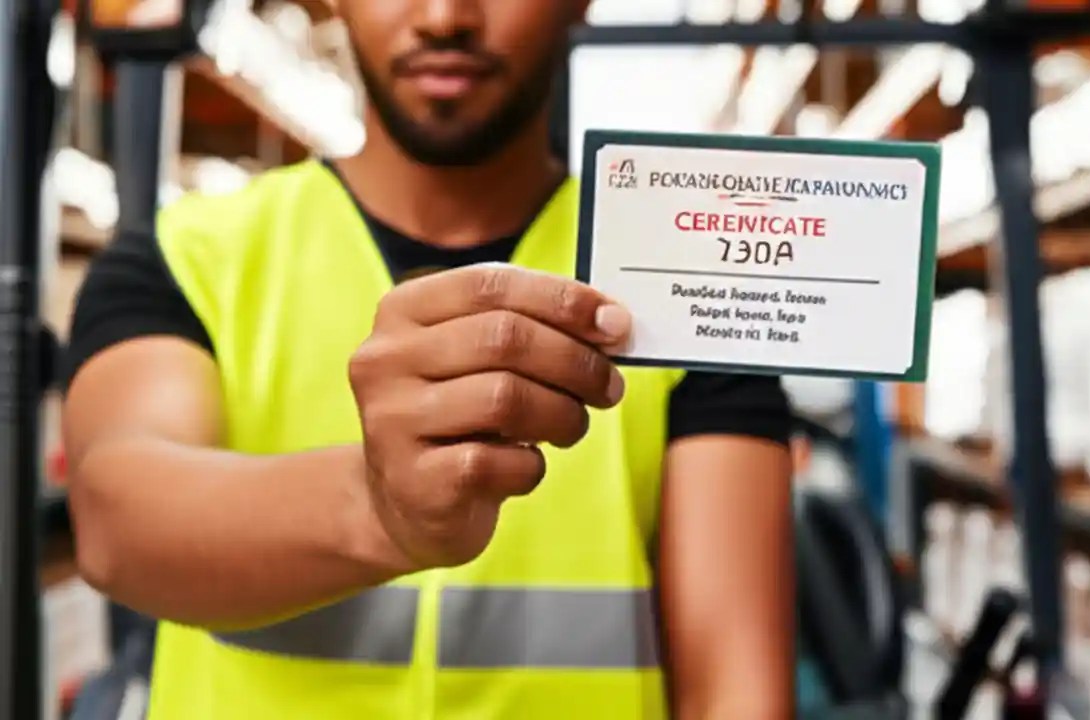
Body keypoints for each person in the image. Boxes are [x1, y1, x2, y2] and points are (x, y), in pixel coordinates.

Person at [61, 1, 795, 718]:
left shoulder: (686, 288)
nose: (446, 16)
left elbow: (734, 691)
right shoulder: (187, 256)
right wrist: (376, 509)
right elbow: (118, 516)